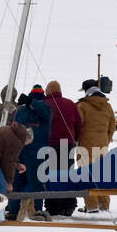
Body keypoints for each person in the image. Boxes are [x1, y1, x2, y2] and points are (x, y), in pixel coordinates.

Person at [77, 79, 117, 212]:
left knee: (87, 175)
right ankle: (104, 205)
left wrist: (77, 141)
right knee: (102, 175)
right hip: (102, 145)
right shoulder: (107, 106)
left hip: (85, 146)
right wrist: (106, 140)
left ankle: (91, 205)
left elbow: (78, 126)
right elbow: (112, 126)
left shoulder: (82, 106)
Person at [12, 86, 52, 219]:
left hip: (38, 155)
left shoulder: (44, 110)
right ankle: (13, 211)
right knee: (17, 183)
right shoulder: (21, 111)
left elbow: (44, 111)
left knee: (37, 184)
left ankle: (37, 210)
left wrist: (30, 101)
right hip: (21, 153)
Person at [44, 81, 82, 216]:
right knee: (67, 175)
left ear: (47, 91)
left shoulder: (44, 104)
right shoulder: (70, 104)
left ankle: (53, 206)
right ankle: (69, 204)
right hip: (68, 144)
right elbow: (79, 123)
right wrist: (75, 138)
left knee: (51, 176)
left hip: (49, 145)